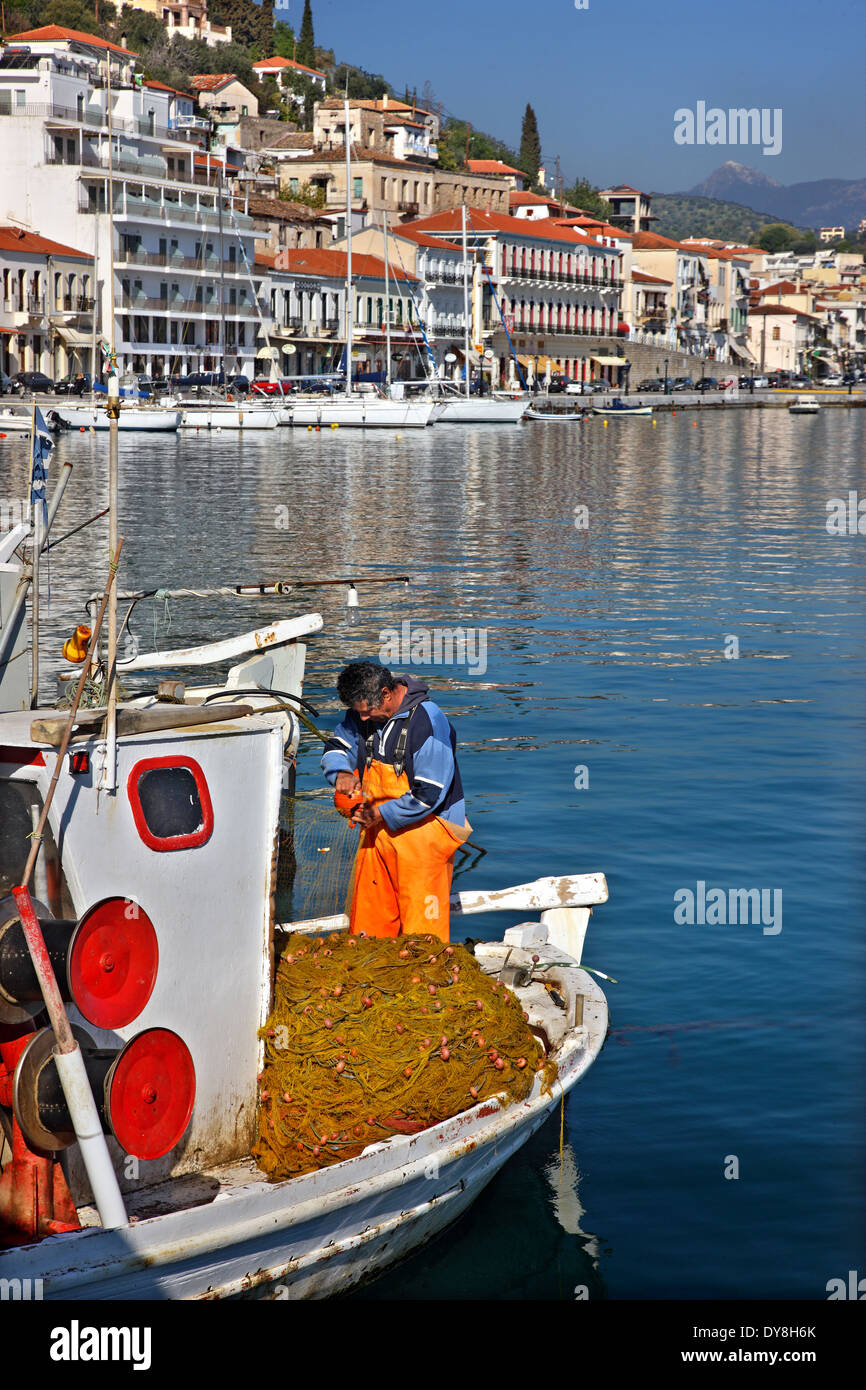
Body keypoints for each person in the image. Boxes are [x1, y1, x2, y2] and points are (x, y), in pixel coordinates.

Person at [321, 661, 471, 941]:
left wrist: (380, 814)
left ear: (387, 694)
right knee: (369, 926)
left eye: (367, 712)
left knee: (422, 936)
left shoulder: (429, 721)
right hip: (376, 834)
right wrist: (340, 772)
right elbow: (336, 746)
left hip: (424, 837)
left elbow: (430, 793)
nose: (362, 719)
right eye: (358, 712)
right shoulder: (362, 715)